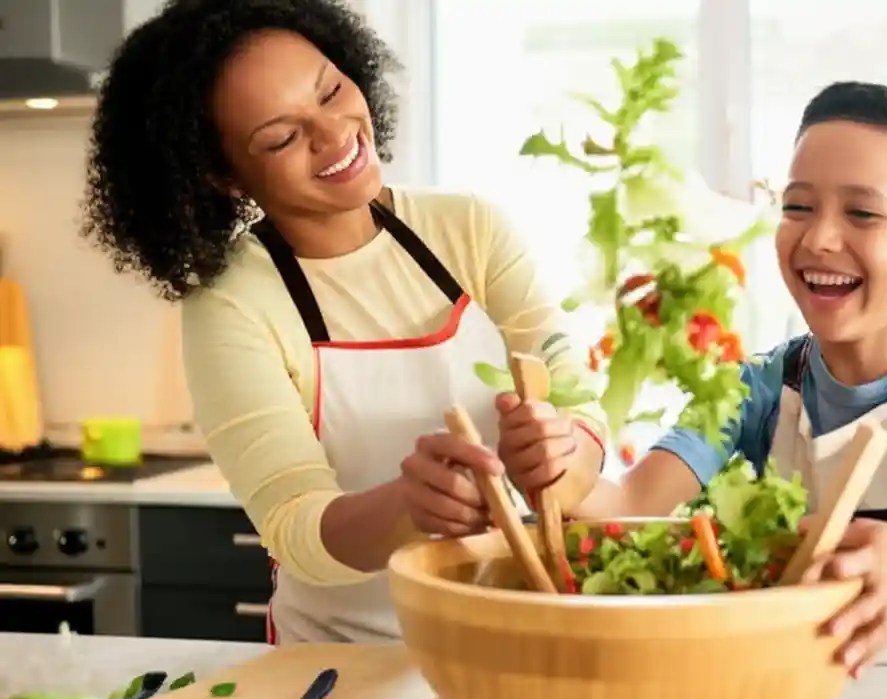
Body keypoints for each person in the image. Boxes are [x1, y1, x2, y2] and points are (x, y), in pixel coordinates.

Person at [420, 81, 887, 673]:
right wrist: (559, 467)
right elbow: (634, 507)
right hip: (778, 692)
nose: (819, 238)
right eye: (798, 205)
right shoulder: (751, 386)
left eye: (862, 214)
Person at [79, 0, 605, 644]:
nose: (333, 135)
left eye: (331, 91)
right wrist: (406, 508)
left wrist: (560, 453)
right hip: (347, 662)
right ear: (218, 174)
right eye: (281, 137)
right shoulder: (232, 304)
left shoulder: (470, 229)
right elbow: (295, 525)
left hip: (521, 639)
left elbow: (575, 396)